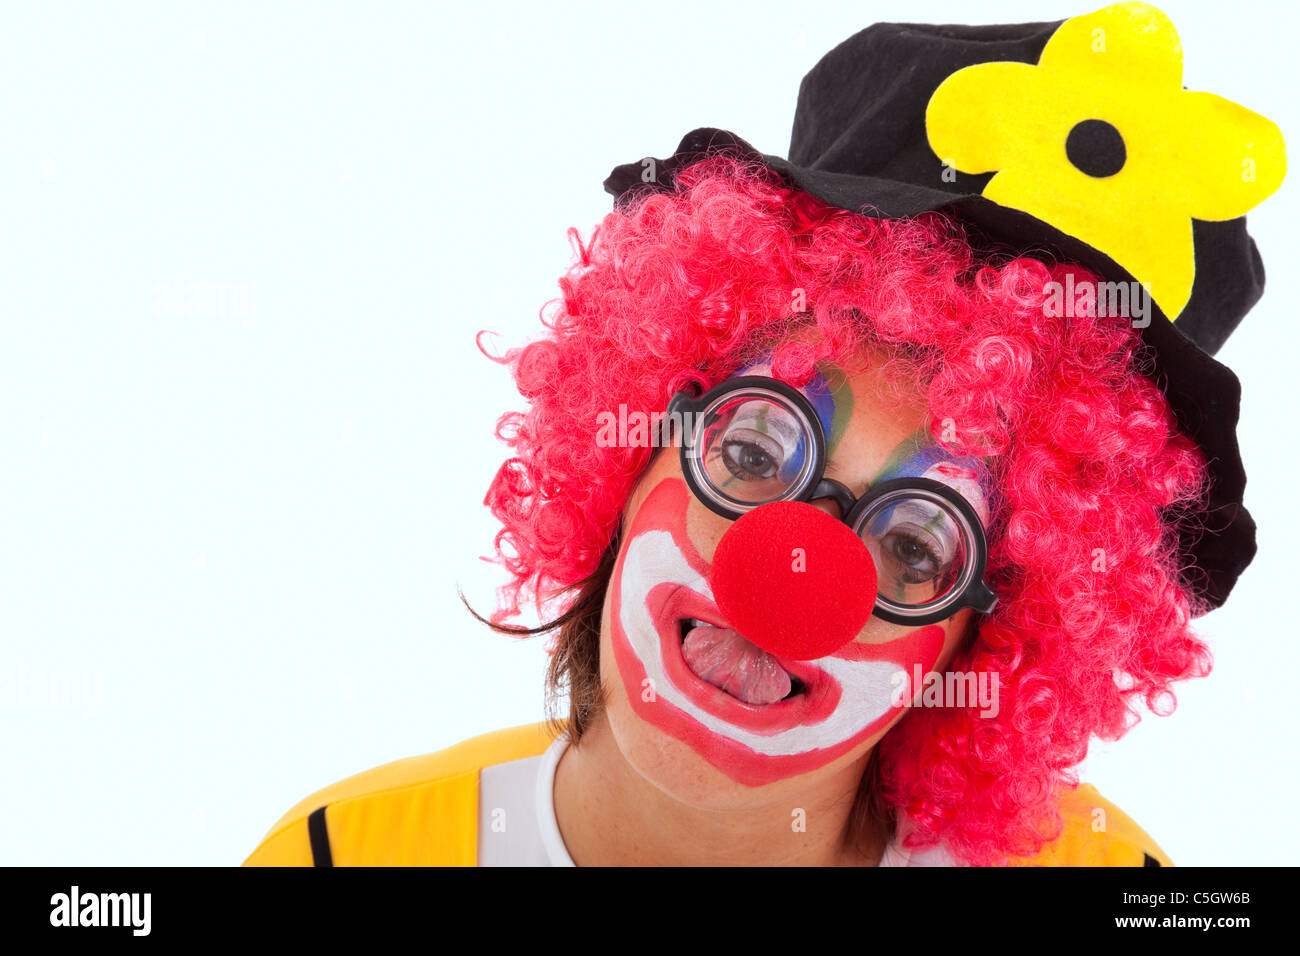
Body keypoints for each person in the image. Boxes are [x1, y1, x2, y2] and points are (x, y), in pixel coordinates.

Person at [243, 2, 1285, 867]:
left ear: (989, 633)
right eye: (751, 451)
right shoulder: (342, 856)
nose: (793, 572)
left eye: (916, 545)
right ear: (634, 440)